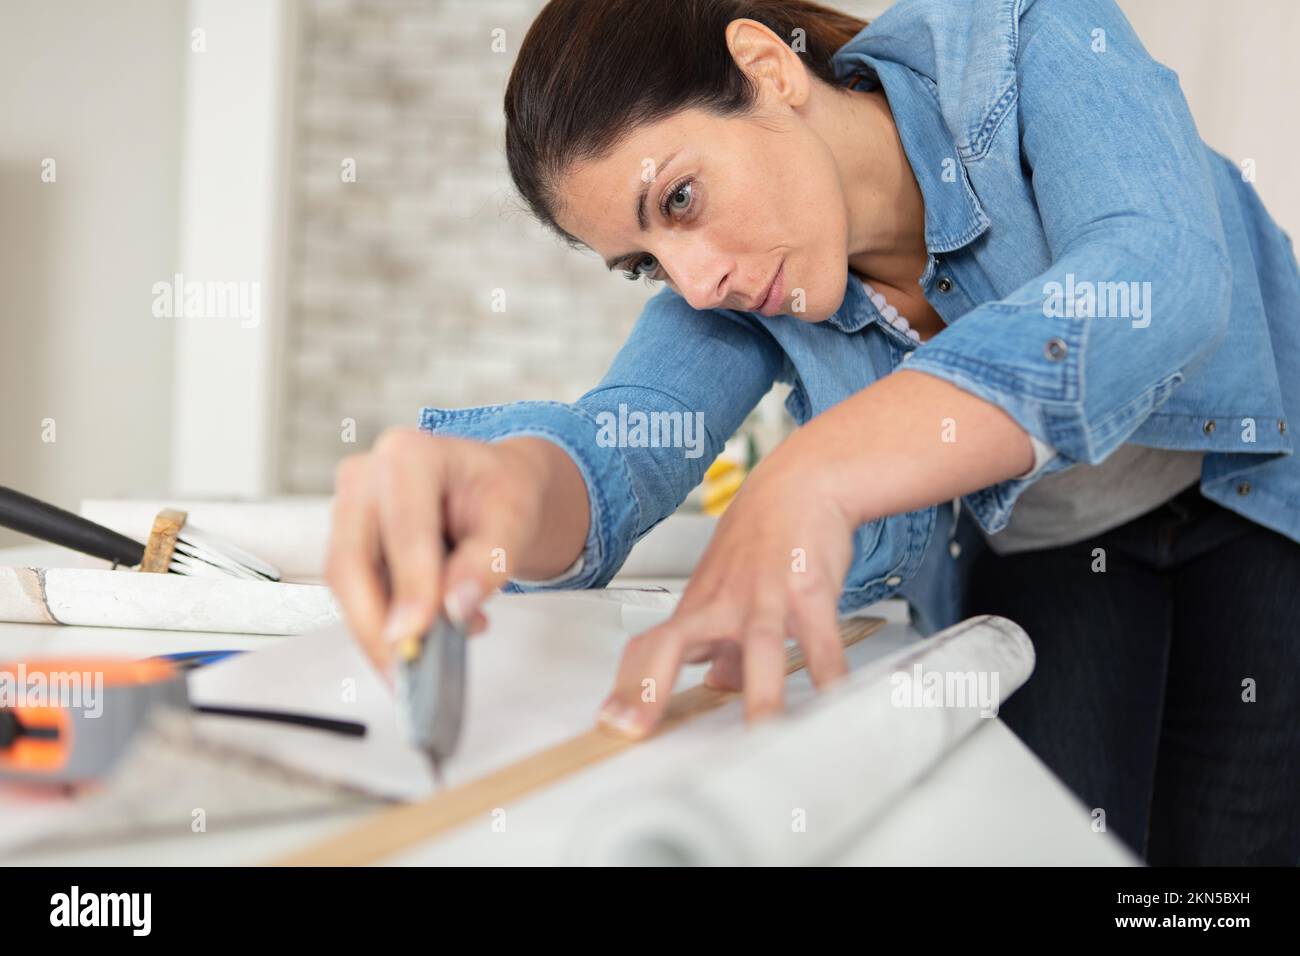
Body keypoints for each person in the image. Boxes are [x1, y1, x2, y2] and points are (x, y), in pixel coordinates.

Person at [324, 0, 1300, 865]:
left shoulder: (1028, 37)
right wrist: (506, 485)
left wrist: (821, 466)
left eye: (679, 198)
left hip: (1253, 489)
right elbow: (618, 445)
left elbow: (1159, 275)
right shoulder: (734, 291)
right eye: (645, 262)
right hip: (1056, 548)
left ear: (766, 66)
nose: (696, 278)